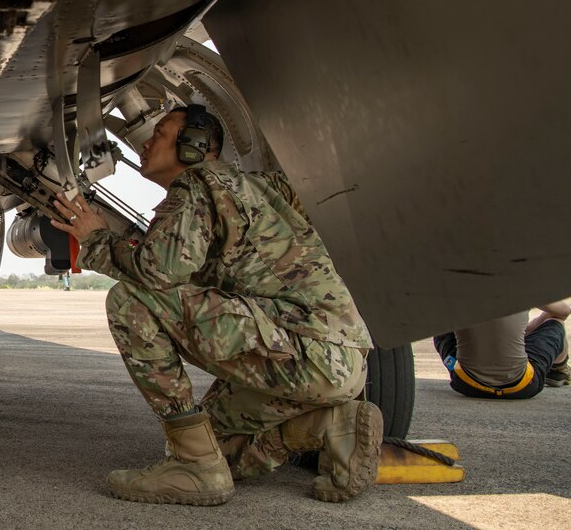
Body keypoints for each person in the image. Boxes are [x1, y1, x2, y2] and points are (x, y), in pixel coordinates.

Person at [53, 105, 379, 506]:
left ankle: (195, 468)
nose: (147, 143)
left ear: (194, 146)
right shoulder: (262, 186)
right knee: (217, 443)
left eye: (161, 133)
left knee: (130, 301)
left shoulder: (198, 184)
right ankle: (329, 425)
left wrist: (97, 240)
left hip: (303, 349)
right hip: (339, 359)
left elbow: (159, 273)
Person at [433, 300, 570, 399]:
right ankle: (558, 371)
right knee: (555, 322)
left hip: (465, 383)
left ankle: (455, 362)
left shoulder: (455, 287)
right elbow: (565, 311)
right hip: (522, 387)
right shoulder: (524, 286)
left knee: (439, 323)